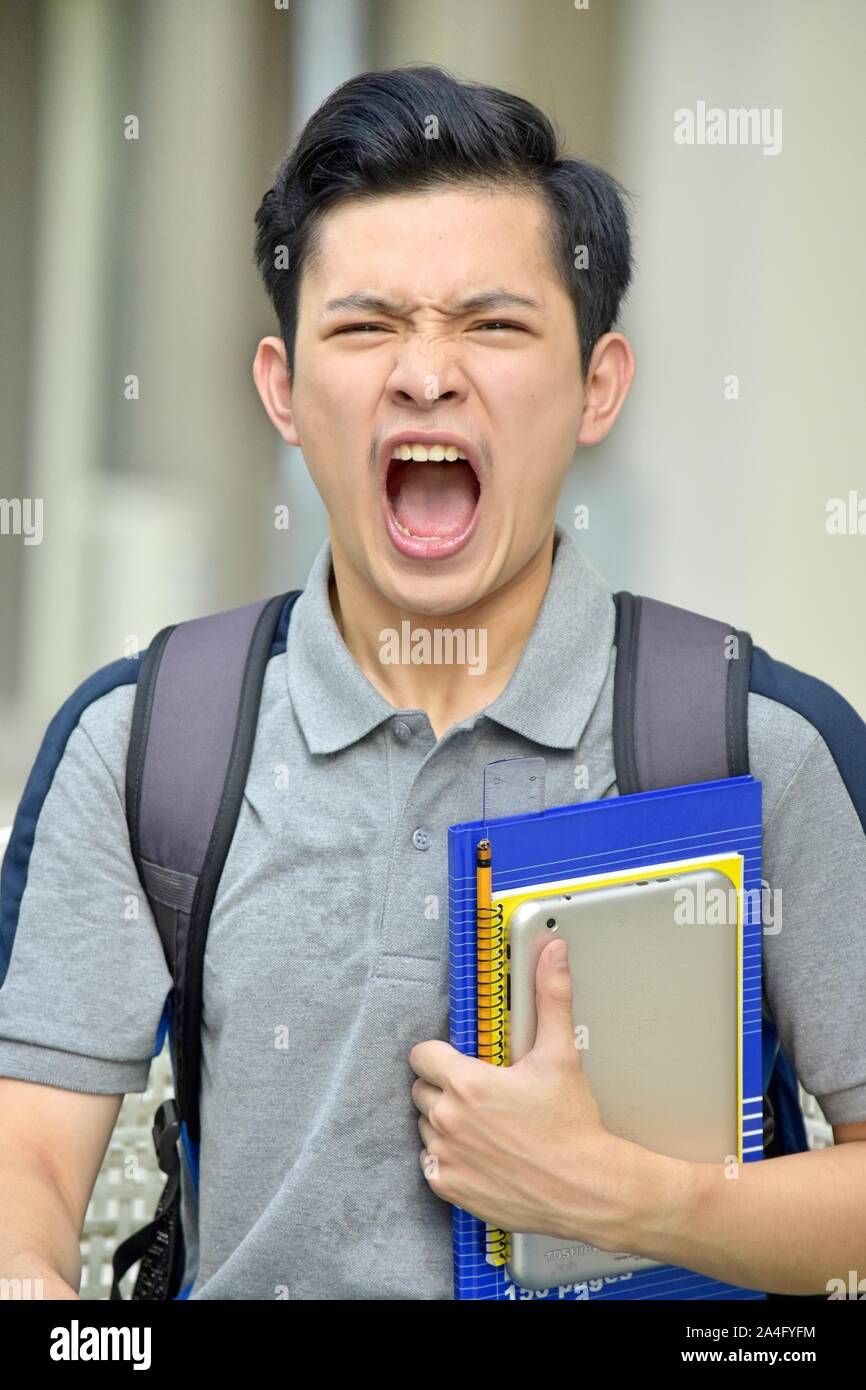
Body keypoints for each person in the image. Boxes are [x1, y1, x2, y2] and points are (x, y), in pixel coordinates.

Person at [1, 65, 864, 1302]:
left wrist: (630, 1196)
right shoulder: (144, 741)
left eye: (493, 323)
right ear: (282, 389)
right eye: (363, 326)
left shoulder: (758, 742)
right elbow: (26, 1143)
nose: (423, 374)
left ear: (597, 384)